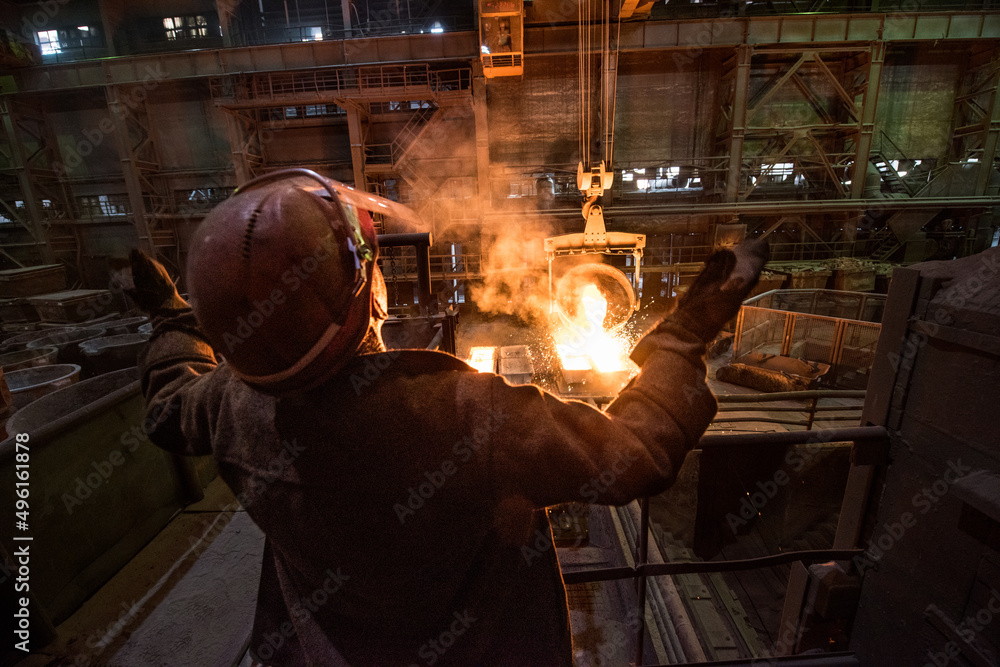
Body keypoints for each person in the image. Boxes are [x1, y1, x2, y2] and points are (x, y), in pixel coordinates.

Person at [130, 170, 768, 666]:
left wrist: (171, 318)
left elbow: (167, 405)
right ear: (367, 291)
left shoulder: (227, 407)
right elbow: (633, 456)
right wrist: (684, 338)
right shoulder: (462, 413)